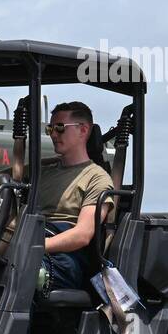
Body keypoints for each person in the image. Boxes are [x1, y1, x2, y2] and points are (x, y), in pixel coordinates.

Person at [30, 101, 115, 290]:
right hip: (32, 243)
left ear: (83, 130)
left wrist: (35, 246)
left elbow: (82, 235)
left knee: (28, 273)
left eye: (60, 128)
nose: (53, 134)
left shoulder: (96, 178)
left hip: (64, 259)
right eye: (50, 128)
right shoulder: (42, 172)